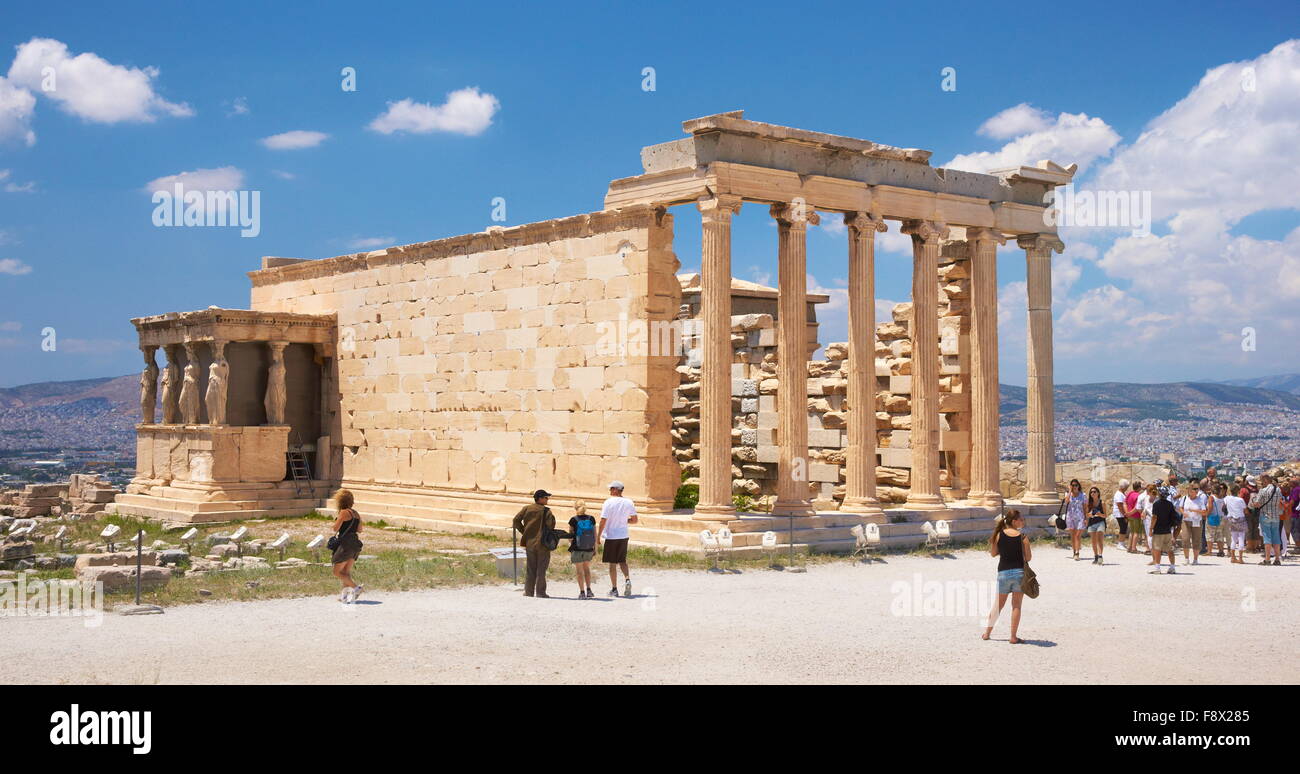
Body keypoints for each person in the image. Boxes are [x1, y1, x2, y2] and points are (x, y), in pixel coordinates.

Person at [982, 509, 1030, 645]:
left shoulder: (998, 535)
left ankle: (987, 633)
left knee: (998, 605)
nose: (1023, 521)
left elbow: (993, 553)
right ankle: (1013, 637)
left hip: (1003, 572)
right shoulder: (1023, 537)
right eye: (1021, 519)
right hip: (1019, 573)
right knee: (1016, 606)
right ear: (1014, 521)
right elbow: (1029, 557)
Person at [512, 489, 558, 598]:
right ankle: (540, 592)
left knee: (531, 568)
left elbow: (516, 520)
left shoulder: (527, 508)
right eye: (546, 498)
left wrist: (525, 532)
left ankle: (529, 592)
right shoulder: (547, 511)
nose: (547, 500)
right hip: (542, 544)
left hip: (530, 542)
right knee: (541, 569)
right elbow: (551, 526)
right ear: (540, 498)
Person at [597, 481, 638, 598]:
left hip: (611, 536)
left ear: (615, 489)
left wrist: (598, 536)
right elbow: (634, 520)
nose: (610, 491)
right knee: (623, 561)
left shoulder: (608, 502)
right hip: (623, 535)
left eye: (611, 489)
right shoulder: (629, 502)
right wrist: (624, 521)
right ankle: (627, 579)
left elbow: (603, 521)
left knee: (612, 564)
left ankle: (614, 589)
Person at [330, 488, 365, 603]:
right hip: (355, 544)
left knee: (336, 572)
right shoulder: (356, 514)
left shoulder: (344, 512)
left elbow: (335, 528)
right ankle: (344, 597)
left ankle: (356, 588)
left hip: (345, 544)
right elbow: (360, 530)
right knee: (345, 572)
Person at [567, 500, 598, 599]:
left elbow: (570, 537)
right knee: (587, 569)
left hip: (577, 548)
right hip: (589, 548)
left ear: (575, 508)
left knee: (579, 572)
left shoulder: (573, 520)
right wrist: (595, 549)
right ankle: (589, 590)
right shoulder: (591, 518)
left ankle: (582, 592)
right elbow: (595, 535)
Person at [1251, 474, 1283, 566]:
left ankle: (1267, 559)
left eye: (1261, 480)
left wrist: (1253, 501)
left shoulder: (1263, 491)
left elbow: (1256, 504)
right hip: (1276, 516)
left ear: (1265, 480)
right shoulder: (1278, 489)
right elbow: (1280, 502)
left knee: (1267, 538)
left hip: (1265, 516)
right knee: (1276, 538)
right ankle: (1277, 559)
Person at [1149, 488, 1179, 575]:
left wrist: (1151, 528)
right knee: (1170, 550)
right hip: (1168, 530)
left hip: (1158, 530)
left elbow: (1154, 517)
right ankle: (1172, 567)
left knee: (1157, 549)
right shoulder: (1170, 504)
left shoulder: (1156, 504)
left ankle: (1157, 568)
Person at [1177, 483, 1207, 565]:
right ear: (1189, 491)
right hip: (1186, 521)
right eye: (1194, 489)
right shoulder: (1184, 498)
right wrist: (1184, 513)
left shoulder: (1200, 500)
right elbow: (1180, 507)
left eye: (1196, 489)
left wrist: (1194, 511)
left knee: (1196, 540)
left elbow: (1204, 512)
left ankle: (1195, 559)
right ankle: (1186, 558)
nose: (1196, 491)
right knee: (1185, 539)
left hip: (1197, 521)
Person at [1224, 484, 1249, 564]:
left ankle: (1233, 557)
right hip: (1240, 518)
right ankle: (1240, 558)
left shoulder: (1227, 498)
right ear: (1238, 491)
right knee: (1241, 538)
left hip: (1231, 518)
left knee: (1234, 539)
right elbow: (1245, 510)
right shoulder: (1240, 500)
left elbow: (1223, 506)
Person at [1065, 479, 1086, 560]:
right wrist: (1070, 491)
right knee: (1073, 536)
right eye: (1072, 485)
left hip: (1080, 517)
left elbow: (1085, 507)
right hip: (1070, 517)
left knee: (1077, 535)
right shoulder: (1068, 494)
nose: (1074, 487)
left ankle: (1077, 552)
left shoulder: (1083, 495)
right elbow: (1066, 502)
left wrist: (1085, 518)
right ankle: (1074, 552)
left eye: (1076, 485)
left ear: (1078, 486)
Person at [1086, 486, 1106, 565]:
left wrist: (1099, 514)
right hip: (1092, 523)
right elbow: (1086, 514)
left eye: (1094, 491)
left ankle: (1100, 556)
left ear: (1098, 493)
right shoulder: (1089, 503)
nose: (1092, 493)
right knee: (1093, 541)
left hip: (1100, 522)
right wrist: (1089, 515)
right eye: (1091, 492)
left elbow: (1105, 515)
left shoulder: (1102, 503)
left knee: (1099, 539)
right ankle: (1096, 557)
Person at [1207, 483, 1228, 558]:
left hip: (1212, 517)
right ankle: (1221, 551)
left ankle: (1209, 551)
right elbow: (1224, 508)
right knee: (1220, 535)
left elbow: (1210, 508)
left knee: (1210, 535)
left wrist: (1207, 515)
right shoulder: (1222, 498)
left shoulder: (1211, 497)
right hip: (1221, 517)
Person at [1139, 483, 1157, 564]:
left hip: (1155, 520)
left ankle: (1156, 559)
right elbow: (1146, 508)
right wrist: (1143, 513)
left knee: (1153, 539)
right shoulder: (1146, 498)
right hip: (1147, 520)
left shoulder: (1157, 500)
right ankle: (1154, 559)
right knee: (1150, 539)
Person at [1125, 478, 1145, 552]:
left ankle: (1129, 547)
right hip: (1136, 515)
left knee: (1131, 532)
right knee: (1136, 532)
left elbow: (1125, 503)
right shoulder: (1138, 496)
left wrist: (1128, 513)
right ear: (1139, 487)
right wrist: (1130, 513)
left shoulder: (1129, 493)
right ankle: (1134, 548)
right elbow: (1137, 507)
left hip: (1130, 516)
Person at [1112, 479, 1131, 548]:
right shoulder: (1119, 494)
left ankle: (1121, 542)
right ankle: (1120, 544)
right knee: (1123, 527)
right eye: (1127, 486)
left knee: (1124, 527)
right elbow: (1120, 505)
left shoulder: (1121, 493)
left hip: (1121, 513)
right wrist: (1125, 514)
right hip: (1120, 514)